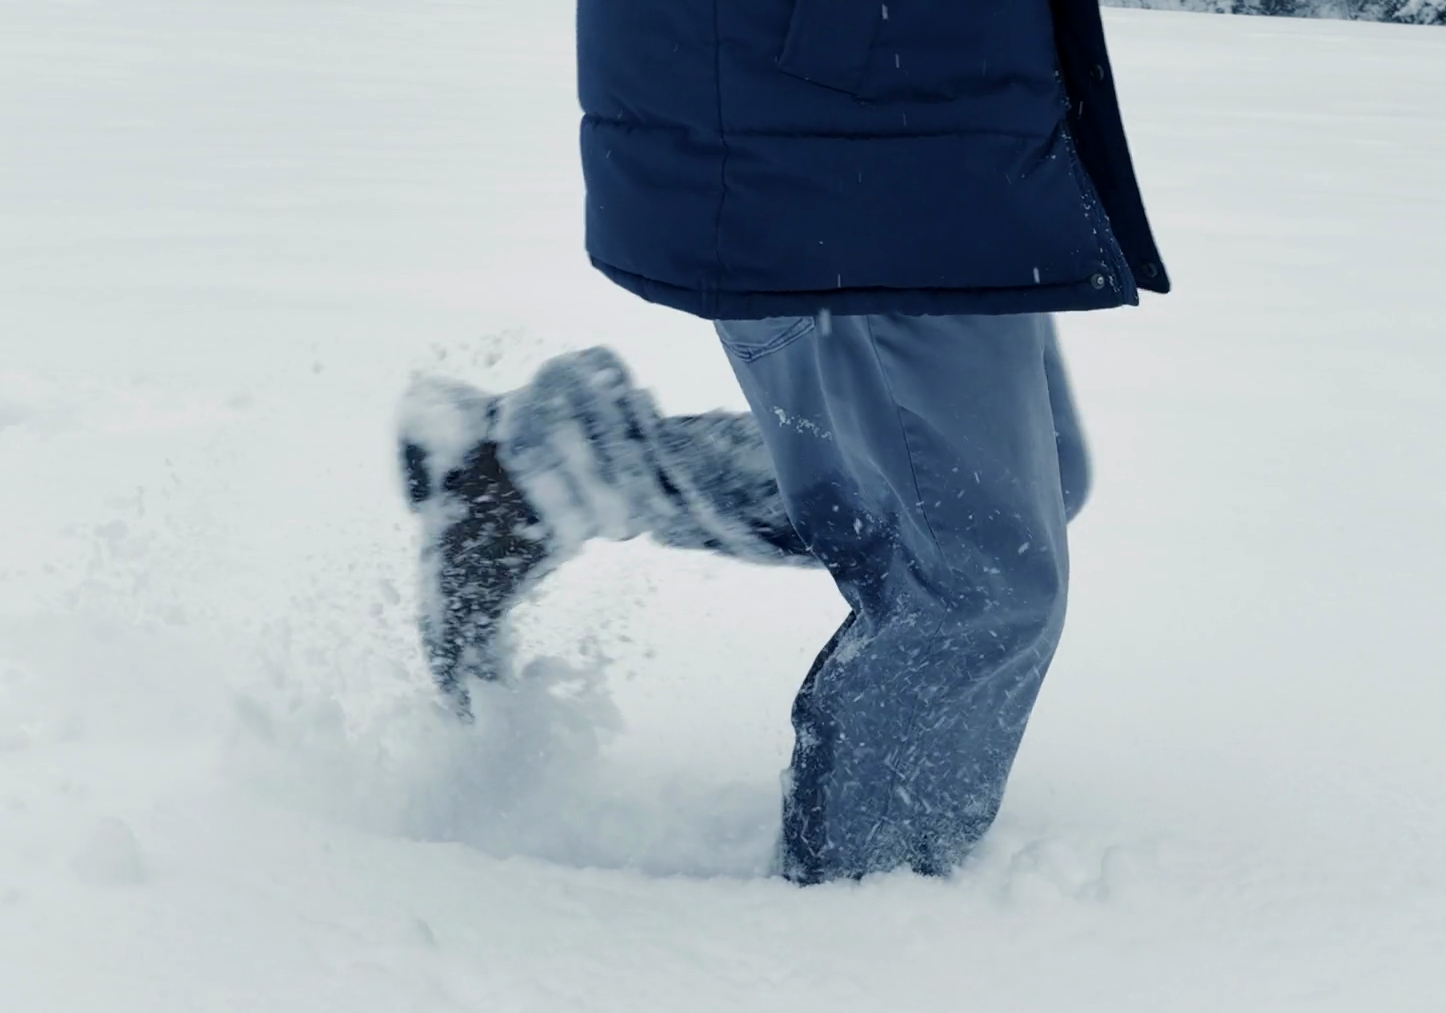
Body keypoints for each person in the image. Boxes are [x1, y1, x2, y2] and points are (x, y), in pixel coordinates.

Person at [398, 0, 1168, 884]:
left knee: (1028, 484)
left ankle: (569, 463)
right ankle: (858, 913)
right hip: (858, 115)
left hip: (910, 102)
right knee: (977, 571)